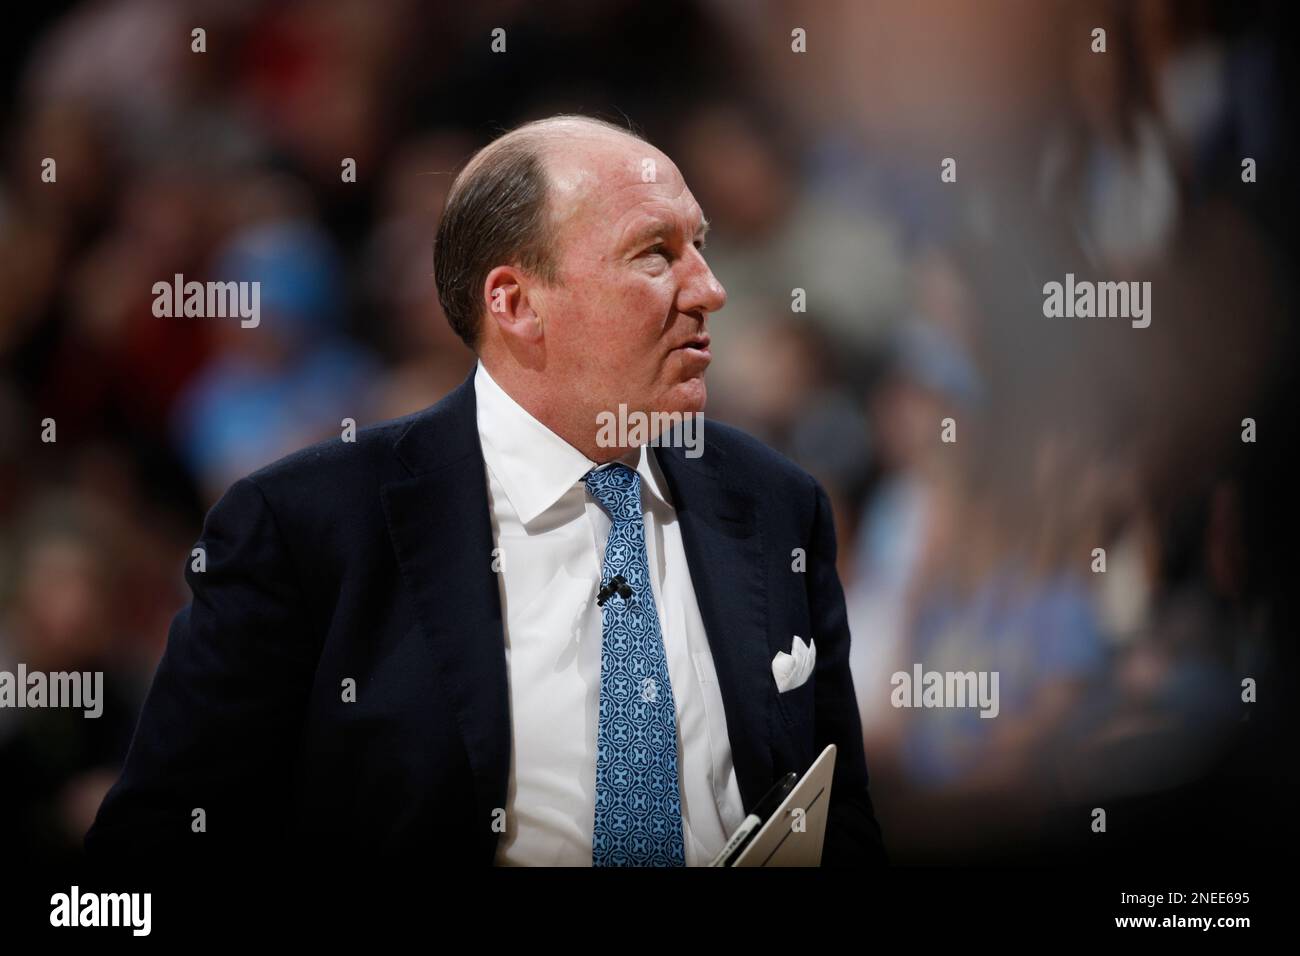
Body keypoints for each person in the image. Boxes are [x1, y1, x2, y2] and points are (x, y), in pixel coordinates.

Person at [85, 115, 885, 867]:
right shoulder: (306, 529)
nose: (708, 289)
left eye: (701, 247)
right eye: (655, 253)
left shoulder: (777, 503)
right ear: (515, 303)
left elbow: (842, 821)